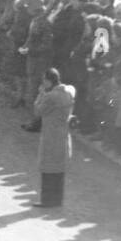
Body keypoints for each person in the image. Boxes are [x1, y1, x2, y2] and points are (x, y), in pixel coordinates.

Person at [33, 68, 75, 207]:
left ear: (49, 81)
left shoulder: (51, 96)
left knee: (47, 167)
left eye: (44, 80)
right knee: (59, 168)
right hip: (63, 135)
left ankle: (46, 200)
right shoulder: (67, 93)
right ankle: (57, 199)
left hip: (51, 135)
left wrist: (41, 94)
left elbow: (38, 110)